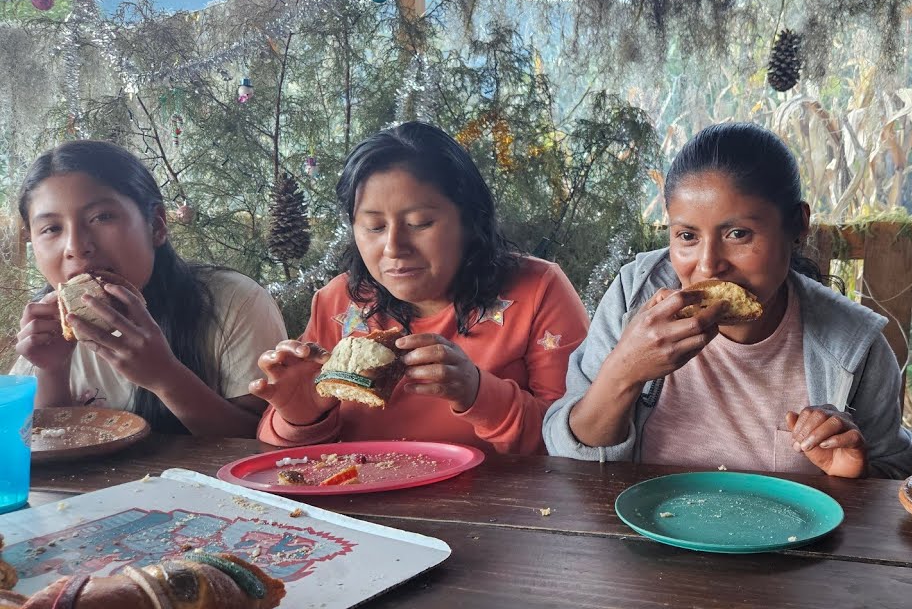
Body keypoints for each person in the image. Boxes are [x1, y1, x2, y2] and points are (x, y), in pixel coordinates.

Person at [543, 122, 912, 478]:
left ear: (798, 225)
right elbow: (568, 460)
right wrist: (624, 371)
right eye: (687, 236)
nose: (708, 265)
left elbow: (894, 474)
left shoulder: (854, 345)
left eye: (738, 234)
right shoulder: (635, 297)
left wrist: (856, 471)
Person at [253, 121, 588, 454]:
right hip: (361, 488)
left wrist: (478, 394)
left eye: (419, 223)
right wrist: (300, 416)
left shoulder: (537, 291)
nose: (393, 247)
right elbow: (283, 456)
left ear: (471, 220)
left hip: (500, 491)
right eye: (374, 227)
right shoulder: (339, 302)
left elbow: (578, 440)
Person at [12, 140, 286, 436]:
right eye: (52, 228)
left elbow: (266, 444)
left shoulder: (233, 302)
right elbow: (42, 449)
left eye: (102, 217)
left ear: (156, 225)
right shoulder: (46, 326)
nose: (76, 247)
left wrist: (165, 377)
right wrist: (52, 370)